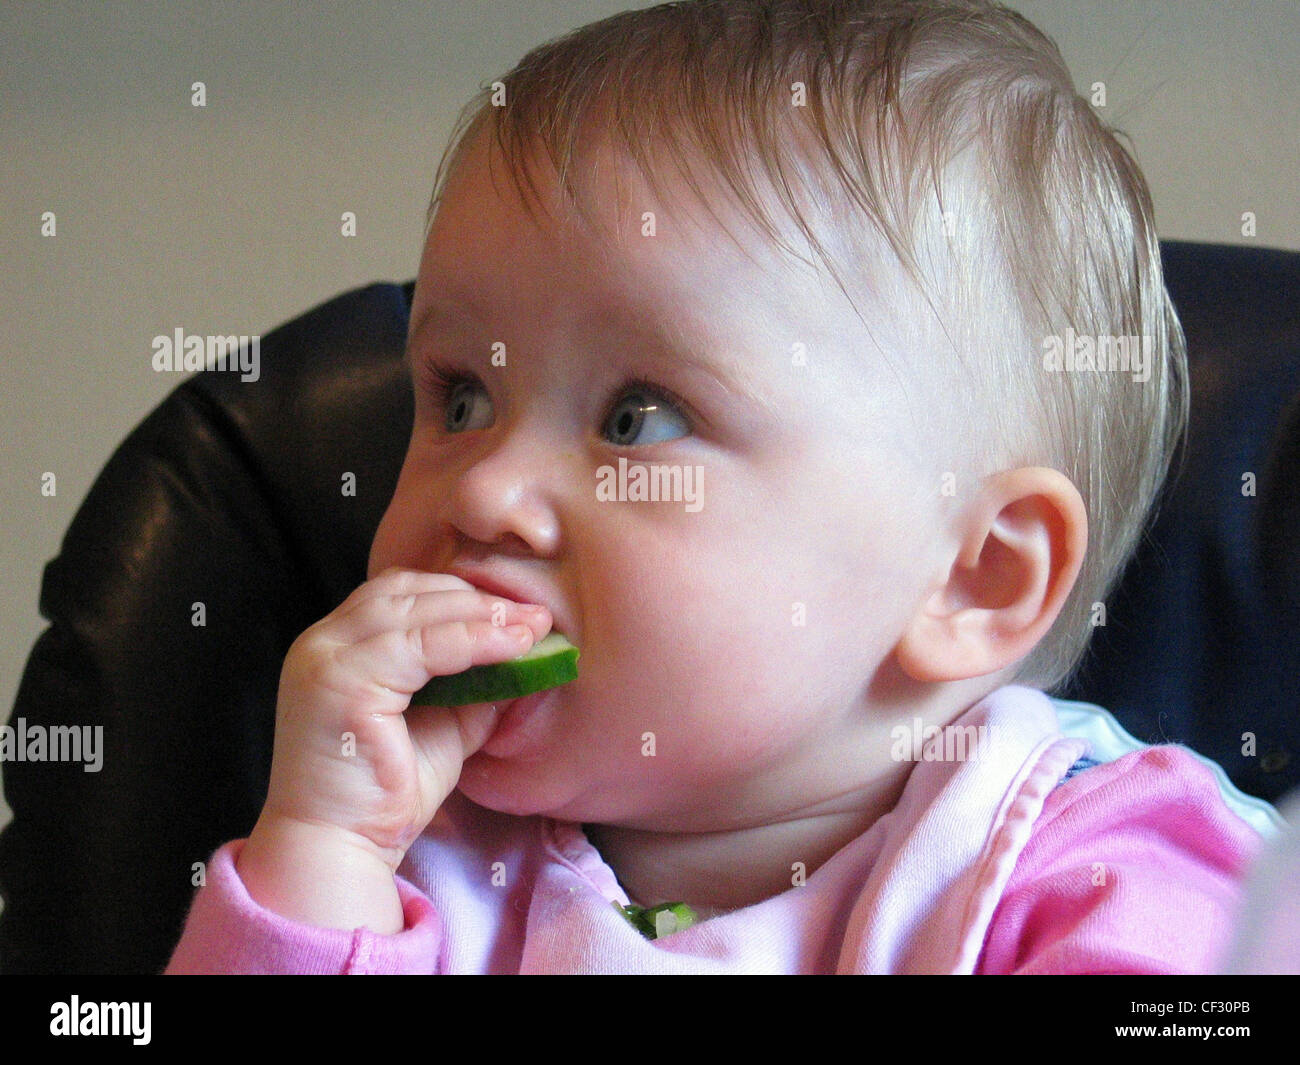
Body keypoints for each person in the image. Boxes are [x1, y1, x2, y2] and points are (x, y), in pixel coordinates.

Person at [165, 0, 1278, 974]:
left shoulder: (1109, 884)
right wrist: (319, 858)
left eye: (637, 419)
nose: (487, 487)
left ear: (972, 578)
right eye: (460, 398)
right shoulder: (402, 864)